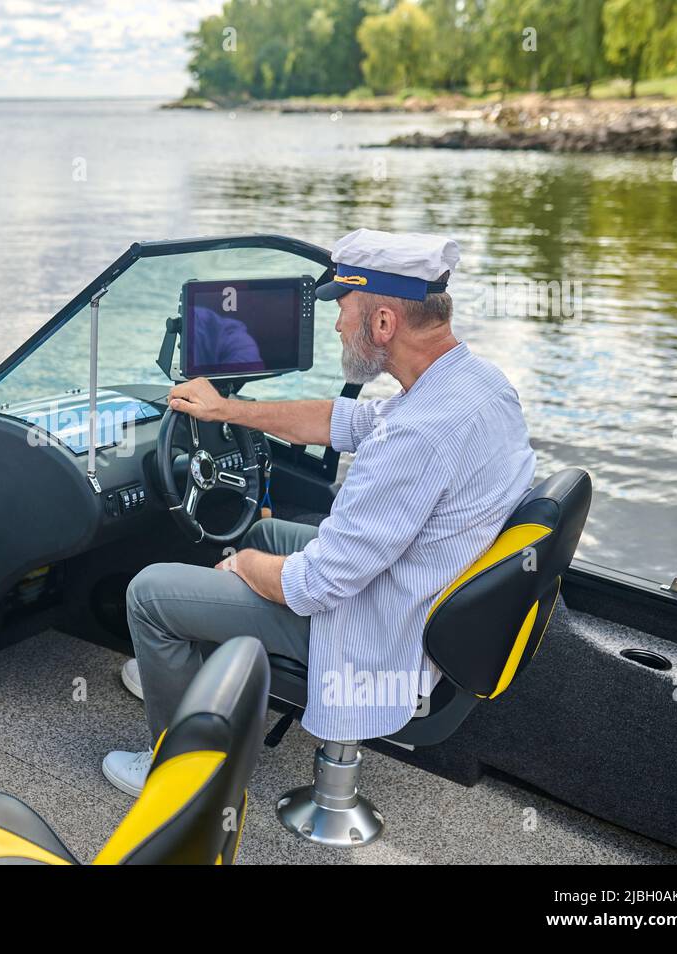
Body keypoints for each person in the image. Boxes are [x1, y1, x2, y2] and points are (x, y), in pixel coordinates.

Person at [103, 228, 536, 797]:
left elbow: (317, 585)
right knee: (262, 529)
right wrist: (227, 410)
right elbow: (343, 421)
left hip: (374, 638)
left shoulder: (421, 437)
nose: (334, 323)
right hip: (418, 596)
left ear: (384, 323)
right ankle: (189, 685)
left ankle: (181, 775)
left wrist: (239, 567)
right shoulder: (473, 384)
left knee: (151, 593)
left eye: (344, 309)